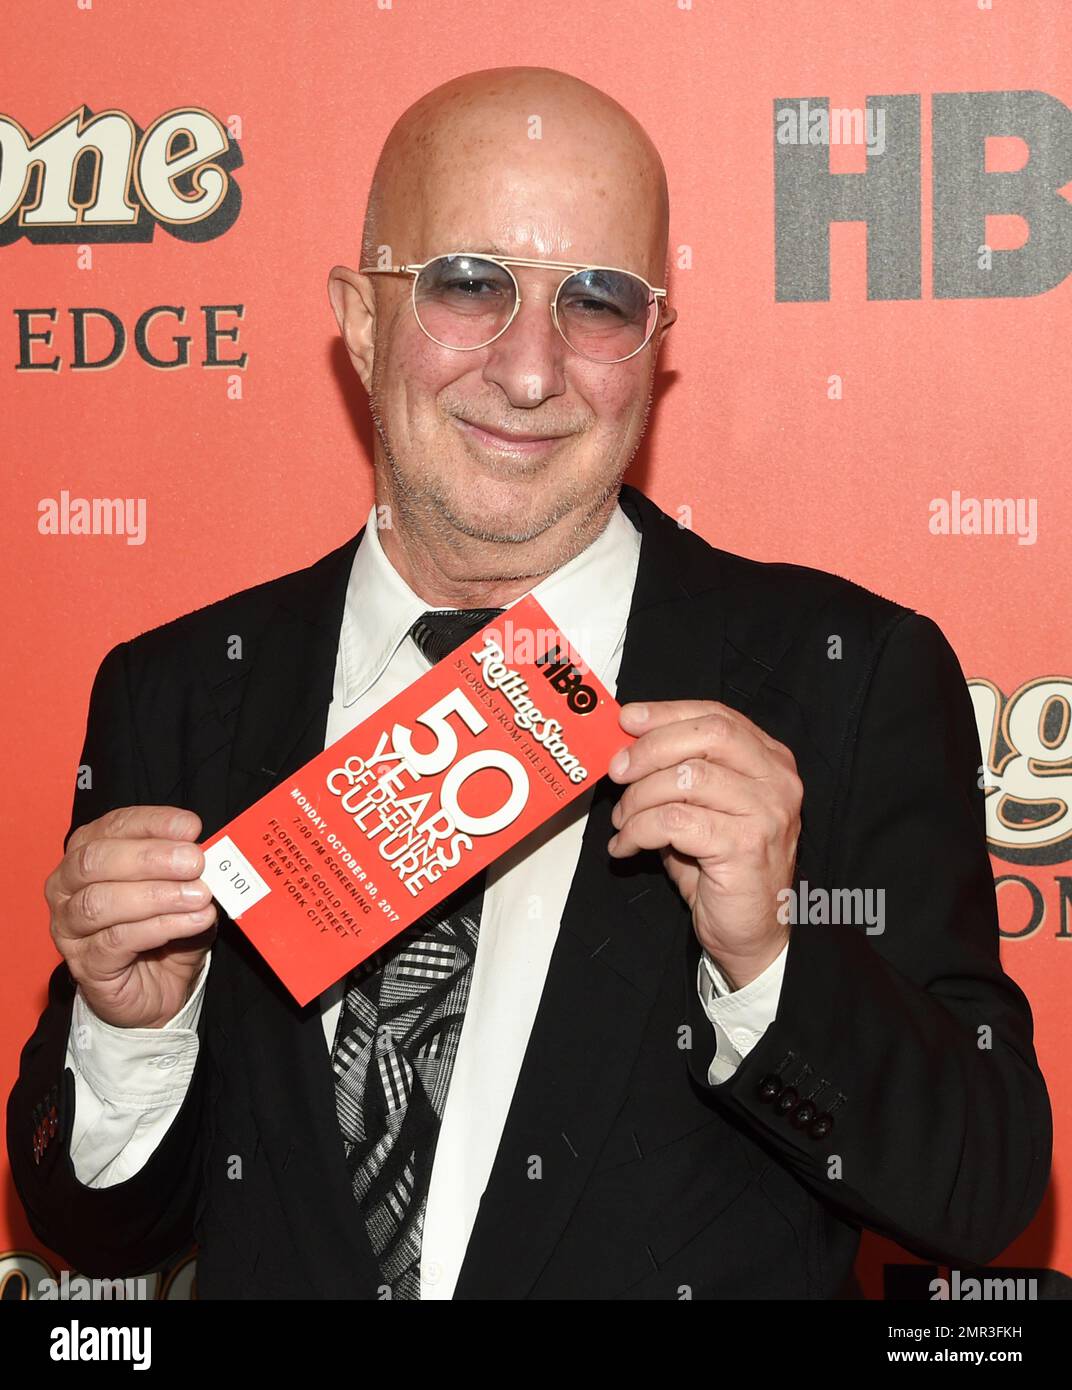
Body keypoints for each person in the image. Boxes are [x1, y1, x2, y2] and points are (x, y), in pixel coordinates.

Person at [7, 66, 1051, 1301]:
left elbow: (981, 1190)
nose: (530, 370)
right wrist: (137, 1028)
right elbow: (106, 1233)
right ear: (358, 317)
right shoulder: (178, 691)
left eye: (598, 302)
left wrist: (769, 959)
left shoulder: (843, 676)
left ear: (655, 349)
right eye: (467, 283)